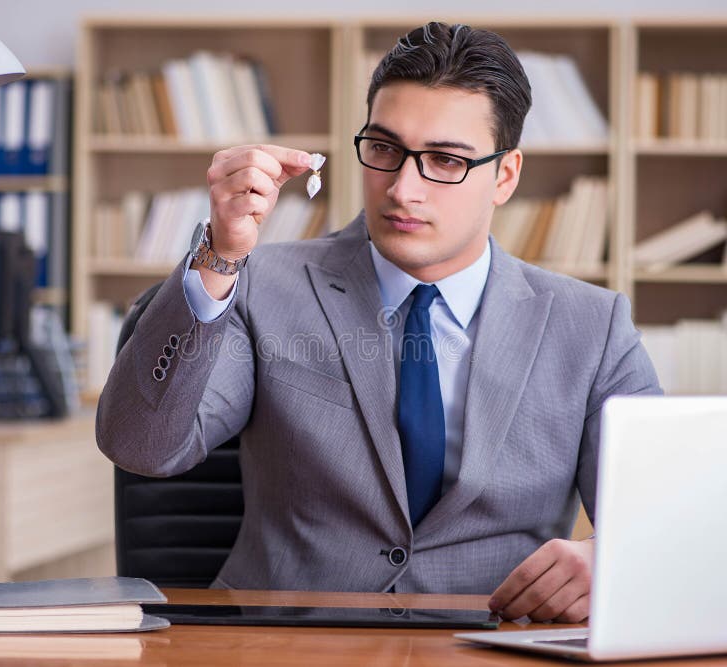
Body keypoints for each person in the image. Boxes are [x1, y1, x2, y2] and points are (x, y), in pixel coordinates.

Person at [96, 22, 661, 623]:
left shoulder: (592, 327)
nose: (402, 188)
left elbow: (668, 521)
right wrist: (220, 255)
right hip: (283, 650)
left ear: (505, 176)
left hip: (493, 647)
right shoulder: (258, 283)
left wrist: (617, 556)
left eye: (445, 160)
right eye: (385, 149)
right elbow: (142, 448)